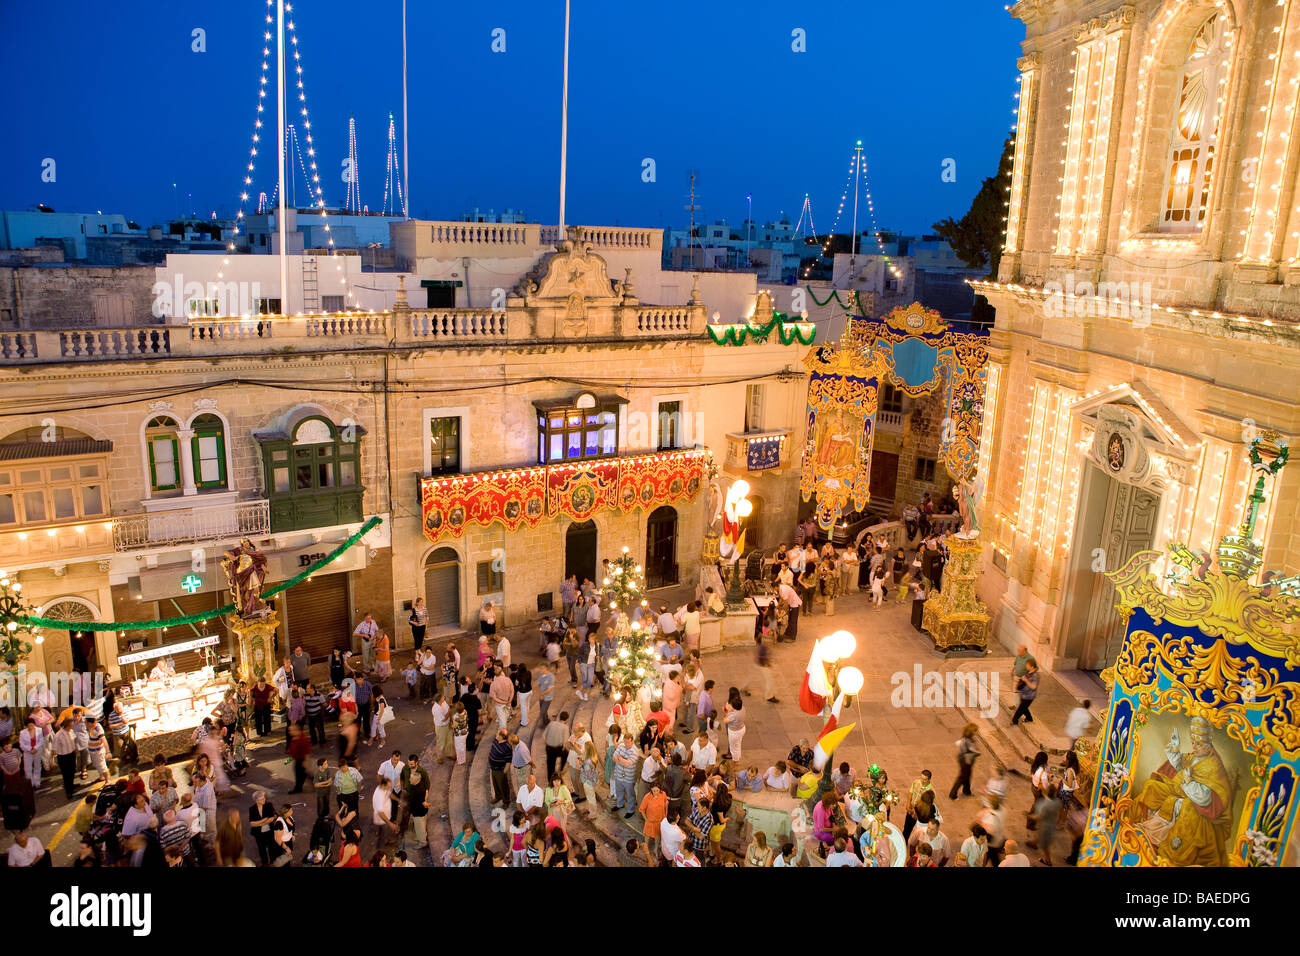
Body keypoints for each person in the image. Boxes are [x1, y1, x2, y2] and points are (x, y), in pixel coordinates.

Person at [949, 723, 980, 799]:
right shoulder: (966, 741)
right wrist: (977, 752)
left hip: (967, 761)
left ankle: (966, 791)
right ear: (971, 732)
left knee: (967, 776)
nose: (977, 732)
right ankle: (952, 794)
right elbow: (970, 751)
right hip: (965, 761)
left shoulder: (969, 739)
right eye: (976, 731)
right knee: (962, 777)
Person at [1012, 659, 1040, 725]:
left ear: (1032, 666)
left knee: (1020, 709)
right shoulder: (1029, 672)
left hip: (1029, 696)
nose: (1026, 666)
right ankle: (1029, 718)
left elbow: (1034, 687)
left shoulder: (1035, 676)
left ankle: (1014, 721)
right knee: (1024, 708)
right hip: (1023, 694)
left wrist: (1026, 680)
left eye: (1027, 665)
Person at [451, 701, 470, 765]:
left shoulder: (456, 717)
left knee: (459, 748)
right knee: (463, 746)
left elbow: (454, 726)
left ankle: (460, 761)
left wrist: (451, 725)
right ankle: (463, 759)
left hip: (459, 735)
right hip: (465, 731)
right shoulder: (465, 711)